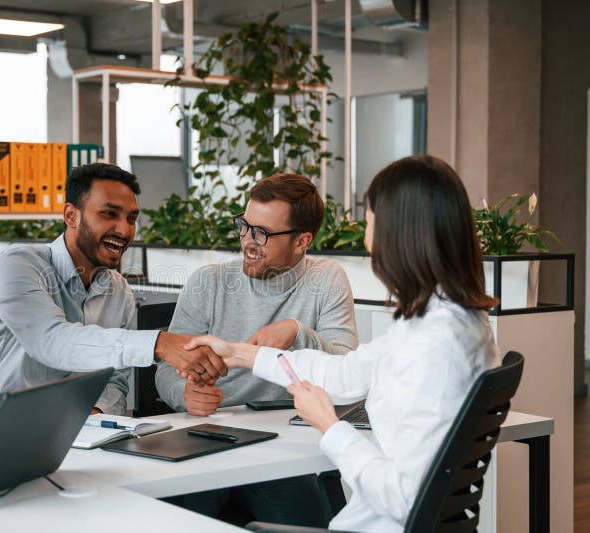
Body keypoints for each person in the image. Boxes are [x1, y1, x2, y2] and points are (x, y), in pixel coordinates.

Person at [185, 155, 501, 533]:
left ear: (398, 234)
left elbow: (405, 498)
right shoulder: (449, 321)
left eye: (369, 222)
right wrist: (240, 353)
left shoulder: (434, 345)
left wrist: (330, 426)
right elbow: (346, 373)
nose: (367, 240)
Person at [0, 163, 226, 431]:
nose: (124, 230)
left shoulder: (119, 292)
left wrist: (95, 415)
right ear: (71, 216)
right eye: (109, 214)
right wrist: (159, 343)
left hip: (71, 438)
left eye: (131, 219)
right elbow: (52, 342)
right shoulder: (17, 265)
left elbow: (114, 382)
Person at [155, 173, 359, 527]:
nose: (249, 241)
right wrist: (183, 394)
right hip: (206, 440)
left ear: (302, 241)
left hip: (282, 447)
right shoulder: (209, 282)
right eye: (245, 226)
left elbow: (347, 375)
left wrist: (297, 333)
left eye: (263, 233)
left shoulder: (326, 280)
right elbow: (163, 372)